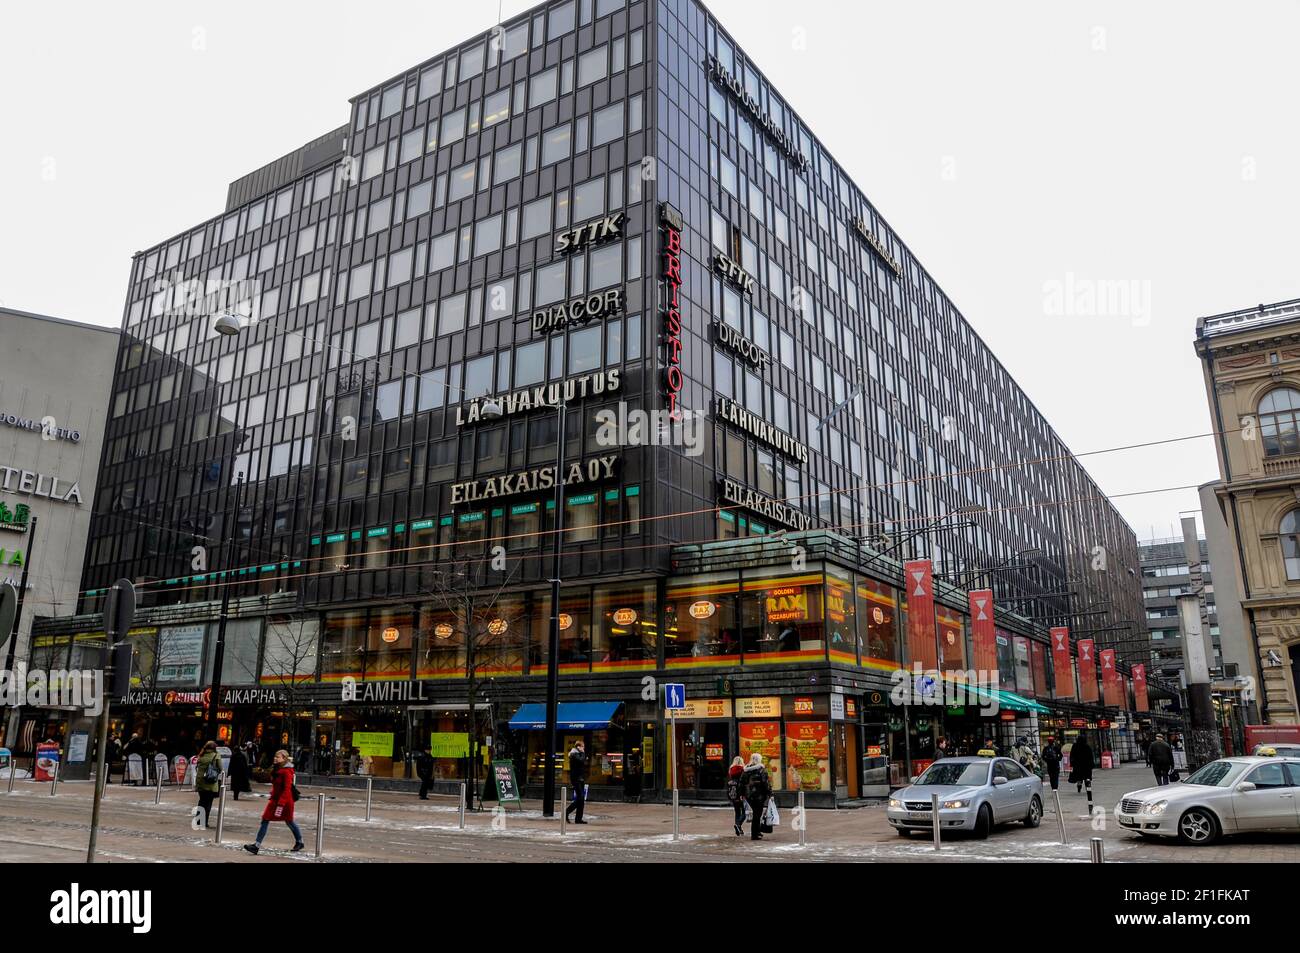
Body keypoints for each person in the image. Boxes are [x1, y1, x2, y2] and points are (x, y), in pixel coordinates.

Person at [243, 750, 303, 854]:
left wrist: (281, 803)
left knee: (289, 821)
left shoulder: (287, 771)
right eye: (275, 756)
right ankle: (256, 845)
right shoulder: (277, 769)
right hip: (275, 800)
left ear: (284, 759)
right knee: (265, 819)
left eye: (278, 757)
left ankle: (299, 841)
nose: (275, 758)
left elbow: (287, 789)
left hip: (285, 802)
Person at [742, 753, 772, 841]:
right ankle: (755, 834)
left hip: (749, 796)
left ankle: (757, 832)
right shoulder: (761, 770)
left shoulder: (746, 770)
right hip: (759, 795)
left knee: (756, 813)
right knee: (757, 814)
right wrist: (770, 794)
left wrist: (741, 794)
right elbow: (766, 783)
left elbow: (741, 782)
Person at [195, 741, 223, 828]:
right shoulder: (216, 755)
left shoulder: (201, 755)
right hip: (210, 781)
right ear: (214, 748)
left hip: (200, 781)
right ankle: (204, 822)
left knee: (201, 801)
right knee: (208, 803)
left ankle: (198, 820)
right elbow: (221, 768)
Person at [564, 739, 589, 824]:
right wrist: (583, 753)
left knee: (581, 800)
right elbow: (581, 760)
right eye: (583, 746)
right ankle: (566, 812)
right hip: (576, 779)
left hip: (581, 778)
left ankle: (578, 819)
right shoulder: (574, 754)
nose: (584, 748)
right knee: (580, 797)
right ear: (578, 747)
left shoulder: (578, 754)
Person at [726, 755, 747, 836]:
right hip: (740, 792)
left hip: (733, 793)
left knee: (737, 812)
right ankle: (738, 825)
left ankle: (738, 829)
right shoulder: (742, 770)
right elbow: (744, 782)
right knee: (745, 812)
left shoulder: (731, 770)